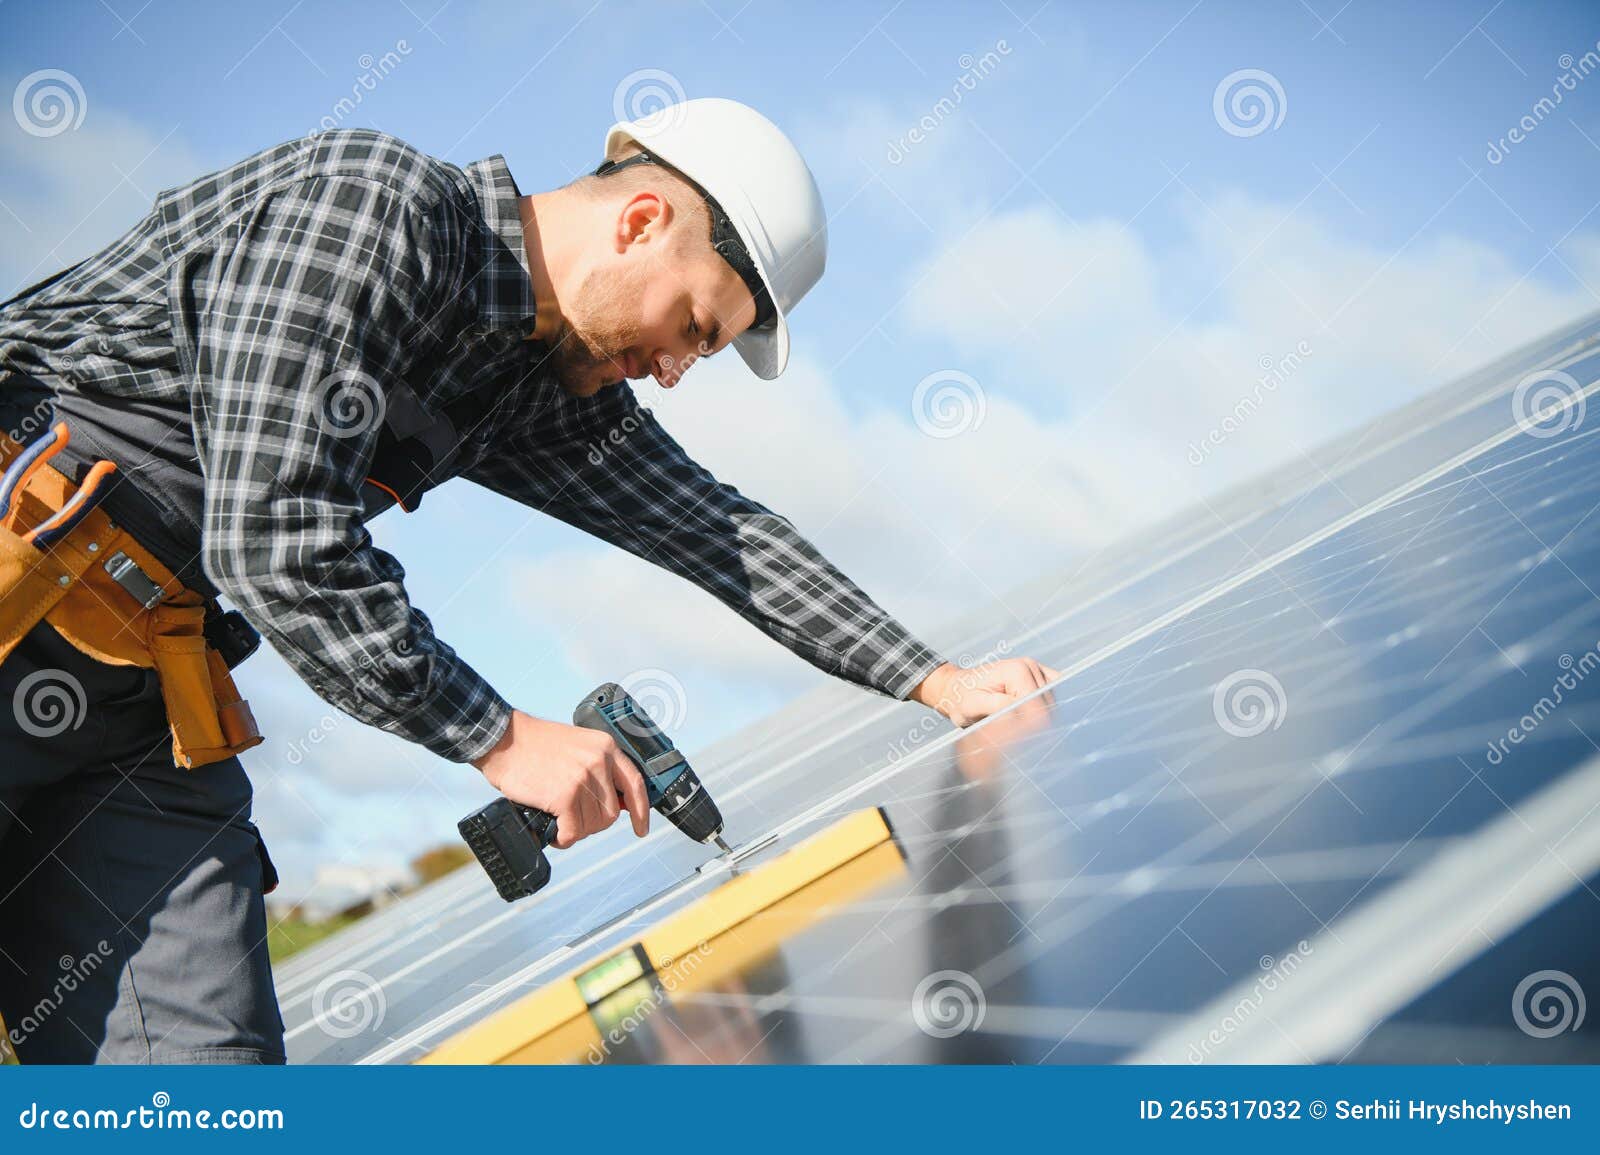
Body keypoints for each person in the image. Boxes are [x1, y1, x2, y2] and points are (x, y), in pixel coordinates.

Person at [0, 98, 1058, 1063]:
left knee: (200, 1073)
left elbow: (717, 530)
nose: (679, 369)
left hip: (149, 695)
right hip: (22, 577)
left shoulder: (528, 390)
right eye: (694, 327)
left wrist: (933, 679)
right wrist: (499, 738)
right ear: (641, 221)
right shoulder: (383, 207)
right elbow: (271, 528)